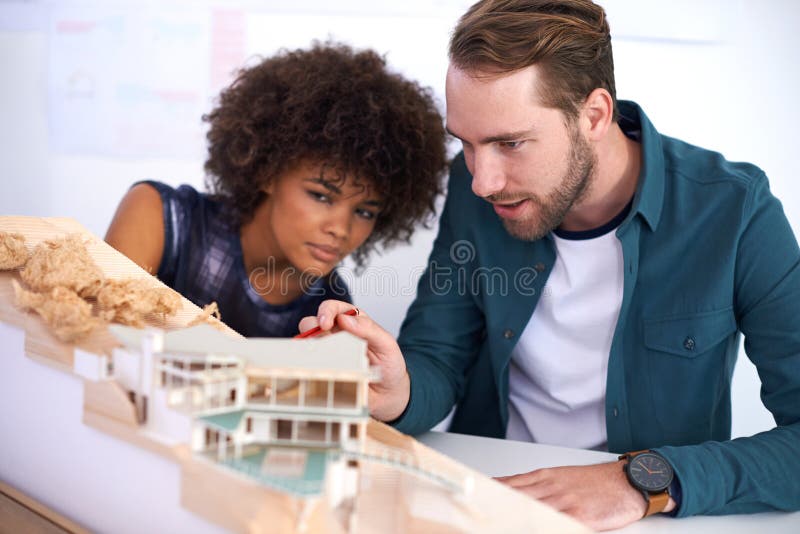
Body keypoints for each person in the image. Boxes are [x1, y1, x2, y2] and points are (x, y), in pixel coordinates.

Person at [299, 1, 800, 530]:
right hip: (489, 504)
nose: (482, 181)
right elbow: (437, 358)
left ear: (594, 116)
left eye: (510, 143)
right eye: (467, 144)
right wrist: (399, 388)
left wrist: (643, 480)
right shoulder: (476, 197)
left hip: (647, 520)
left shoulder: (735, 211)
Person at [105, 43, 448, 337]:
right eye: (322, 195)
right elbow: (99, 342)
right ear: (268, 171)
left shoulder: (326, 309)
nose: (340, 229)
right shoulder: (163, 221)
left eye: (364, 212)